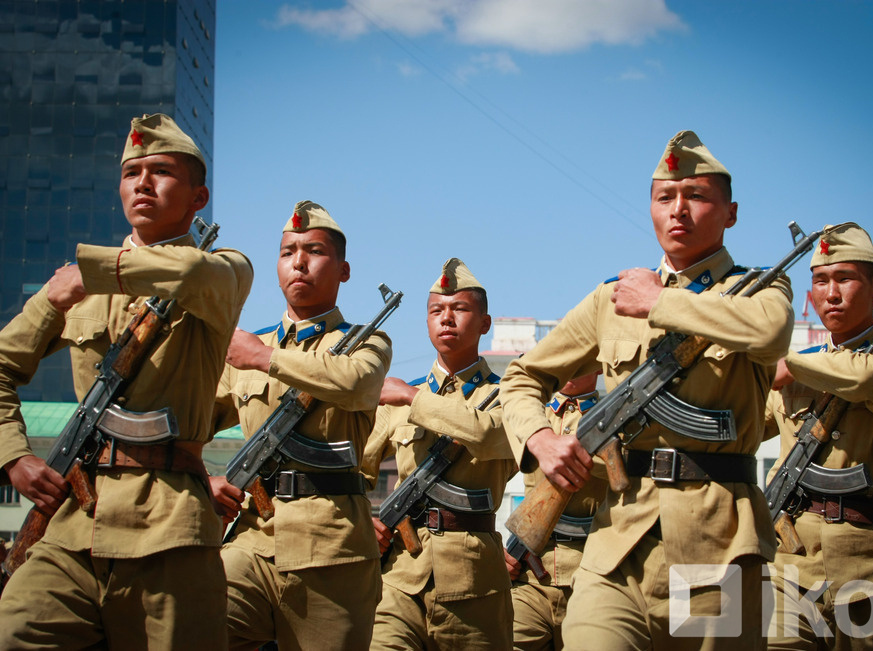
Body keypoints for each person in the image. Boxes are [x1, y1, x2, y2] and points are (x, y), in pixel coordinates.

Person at [501, 130, 794, 650]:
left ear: (730, 213)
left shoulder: (760, 290)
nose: (679, 210)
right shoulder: (611, 298)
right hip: (618, 543)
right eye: (665, 198)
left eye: (697, 196)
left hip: (718, 545)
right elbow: (521, 377)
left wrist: (660, 303)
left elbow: (771, 332)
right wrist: (540, 439)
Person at [0, 113, 253, 648]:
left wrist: (85, 273)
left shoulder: (224, 268)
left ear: (198, 197)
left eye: (161, 171)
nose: (142, 182)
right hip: (75, 523)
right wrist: (14, 456)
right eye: (131, 172)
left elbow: (185, 273)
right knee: (17, 631)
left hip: (169, 530)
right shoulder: (75, 287)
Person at [209, 201, 392, 650]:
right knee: (192, 628)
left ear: (344, 271)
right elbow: (190, 419)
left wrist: (264, 358)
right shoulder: (247, 347)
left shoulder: (367, 341)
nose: (299, 262)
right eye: (288, 250)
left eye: (314, 250)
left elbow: (356, 382)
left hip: (332, 549)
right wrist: (200, 475)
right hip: (251, 540)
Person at [764, 224, 873, 650]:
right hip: (793, 562)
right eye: (820, 281)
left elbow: (868, 378)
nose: (831, 293)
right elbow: (739, 425)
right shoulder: (796, 367)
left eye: (845, 279)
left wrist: (793, 365)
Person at [362, 257, 516, 650]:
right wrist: (364, 517)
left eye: (460, 309)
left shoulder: (508, 396)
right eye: (436, 311)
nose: (446, 318)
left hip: (473, 581)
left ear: (484, 323)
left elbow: (491, 435)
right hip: (400, 574)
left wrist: (415, 398)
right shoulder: (397, 398)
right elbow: (354, 469)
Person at [505, 371, 606, 650]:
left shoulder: (613, 421)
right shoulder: (531, 419)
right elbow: (484, 476)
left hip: (594, 577)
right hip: (530, 576)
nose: (571, 366)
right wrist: (493, 547)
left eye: (580, 358)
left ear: (598, 365)